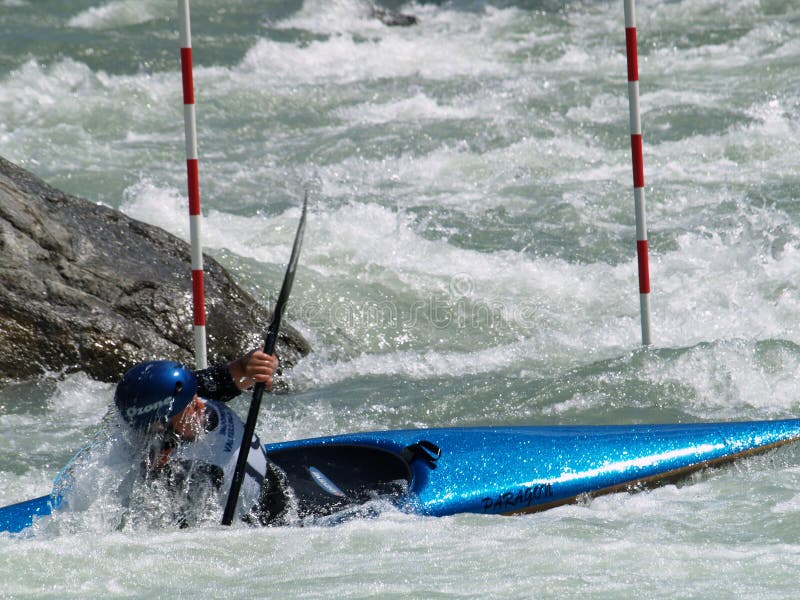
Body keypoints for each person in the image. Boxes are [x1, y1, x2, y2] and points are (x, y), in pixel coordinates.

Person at [113, 349, 288, 527]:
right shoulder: (179, 478)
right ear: (161, 427)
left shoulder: (183, 393)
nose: (199, 403)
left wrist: (257, 364)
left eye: (193, 395)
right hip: (266, 525)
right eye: (188, 405)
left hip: (280, 484)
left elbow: (234, 372)